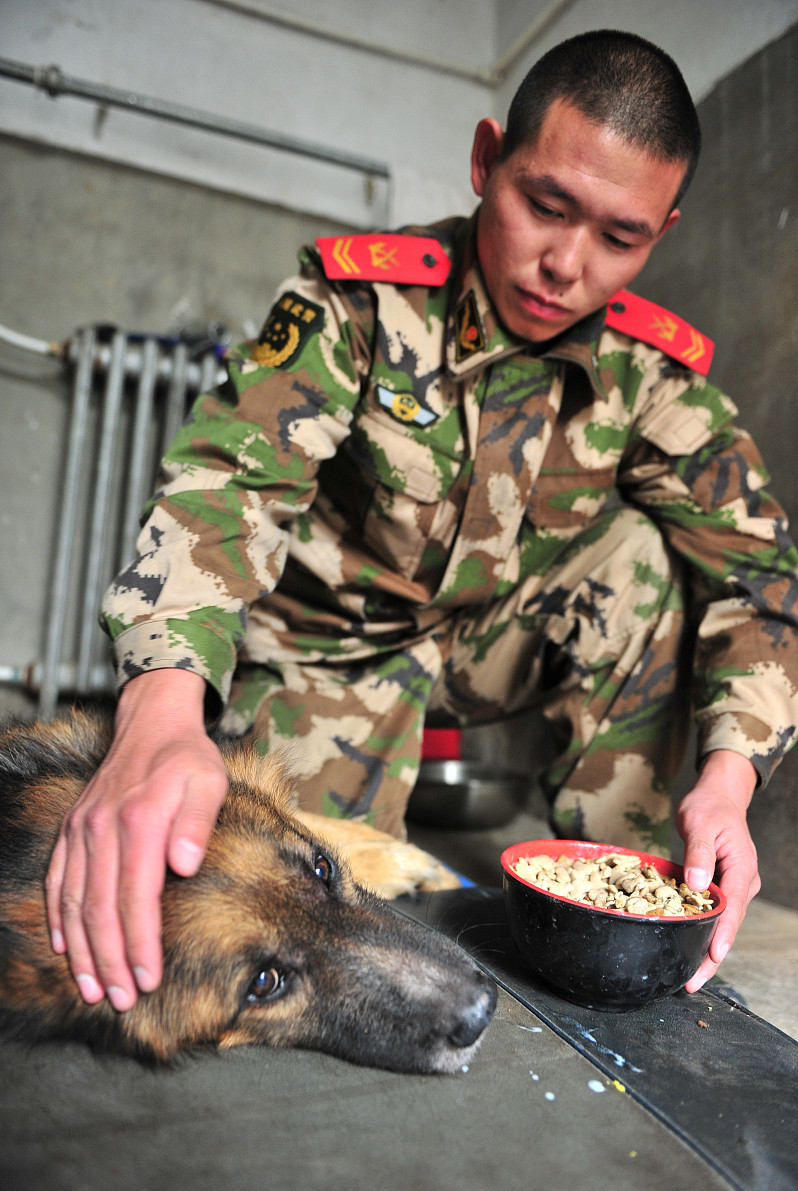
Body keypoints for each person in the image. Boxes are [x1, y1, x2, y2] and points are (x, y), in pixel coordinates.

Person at [46, 30, 798, 1015]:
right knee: (306, 921)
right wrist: (159, 707)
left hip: (498, 646)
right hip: (334, 651)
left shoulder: (652, 377)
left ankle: (612, 885)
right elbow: (231, 483)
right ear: (487, 160)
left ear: (661, 231)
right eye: (544, 204)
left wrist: (732, 781)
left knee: (643, 561)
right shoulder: (359, 301)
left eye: (620, 237)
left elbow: (762, 578)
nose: (566, 264)